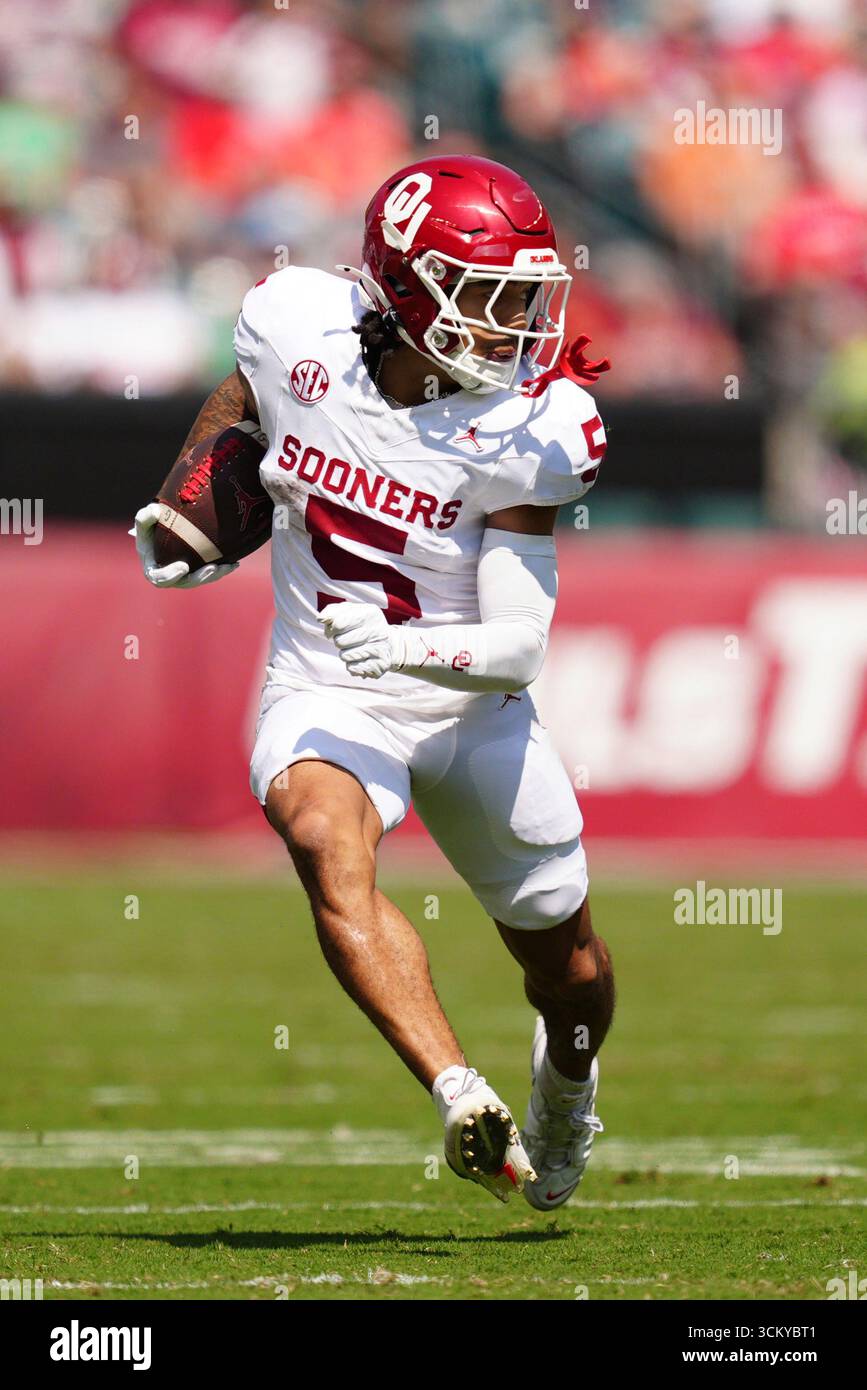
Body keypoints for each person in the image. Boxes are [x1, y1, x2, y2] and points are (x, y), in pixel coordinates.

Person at [132, 155, 615, 1208]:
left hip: (468, 703)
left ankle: (567, 1089)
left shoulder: (530, 428)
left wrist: (393, 647)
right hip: (324, 686)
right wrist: (195, 490)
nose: (516, 323)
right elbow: (245, 394)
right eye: (487, 297)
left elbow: (520, 646)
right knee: (321, 839)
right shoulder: (294, 323)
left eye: (523, 295)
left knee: (571, 969)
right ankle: (459, 1092)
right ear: (406, 287)